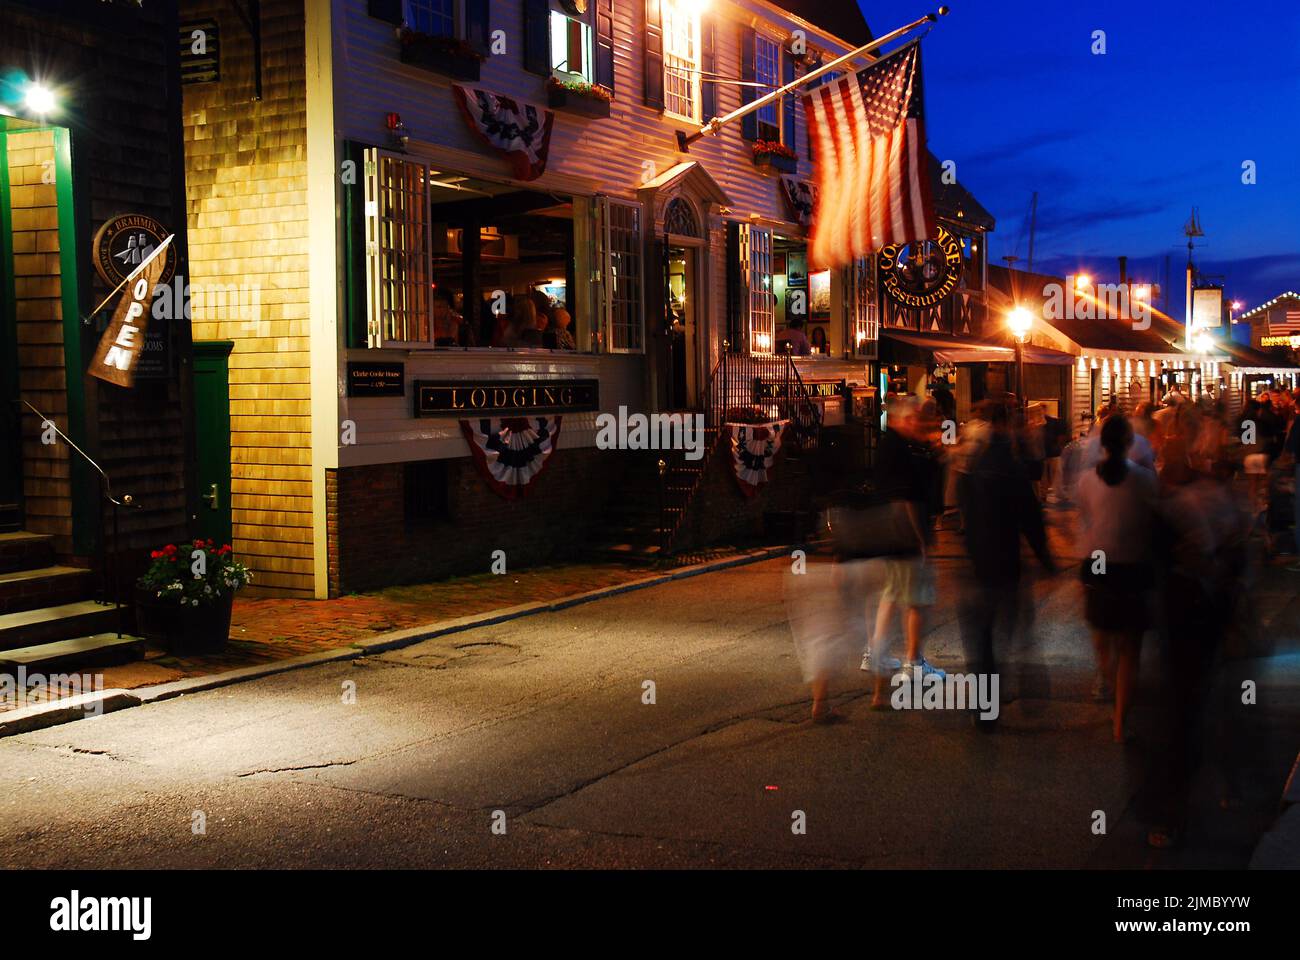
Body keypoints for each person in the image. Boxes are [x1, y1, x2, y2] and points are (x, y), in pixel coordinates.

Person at [1075, 415, 1157, 742]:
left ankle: (1107, 682)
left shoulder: (1085, 480)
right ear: (1128, 442)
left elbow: (1086, 520)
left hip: (1096, 563)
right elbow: (1151, 521)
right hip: (1133, 566)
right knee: (1129, 650)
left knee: (1102, 636)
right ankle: (1120, 722)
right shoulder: (1146, 479)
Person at [861, 394, 944, 702]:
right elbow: (904, 497)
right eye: (912, 419)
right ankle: (914, 662)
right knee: (916, 600)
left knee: (891, 595)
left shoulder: (888, 445)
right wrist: (919, 539)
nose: (916, 423)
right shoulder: (899, 449)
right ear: (903, 419)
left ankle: (876, 654)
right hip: (903, 537)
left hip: (887, 533)